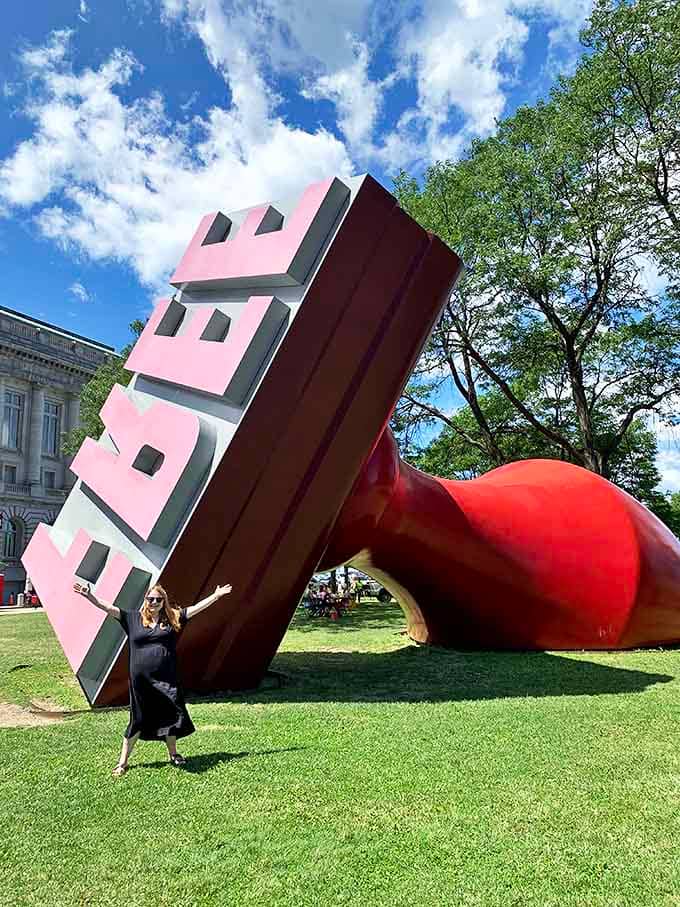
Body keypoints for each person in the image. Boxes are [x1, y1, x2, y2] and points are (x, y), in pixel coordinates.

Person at [73, 579, 232, 776]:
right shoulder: (133, 619)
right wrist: (90, 596)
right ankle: (122, 762)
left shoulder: (173, 618)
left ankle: (173, 754)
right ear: (145, 600)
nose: (154, 602)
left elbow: (196, 609)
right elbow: (107, 607)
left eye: (158, 599)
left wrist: (215, 596)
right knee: (138, 718)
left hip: (166, 678)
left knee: (171, 713)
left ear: (163, 601)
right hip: (141, 681)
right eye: (150, 599)